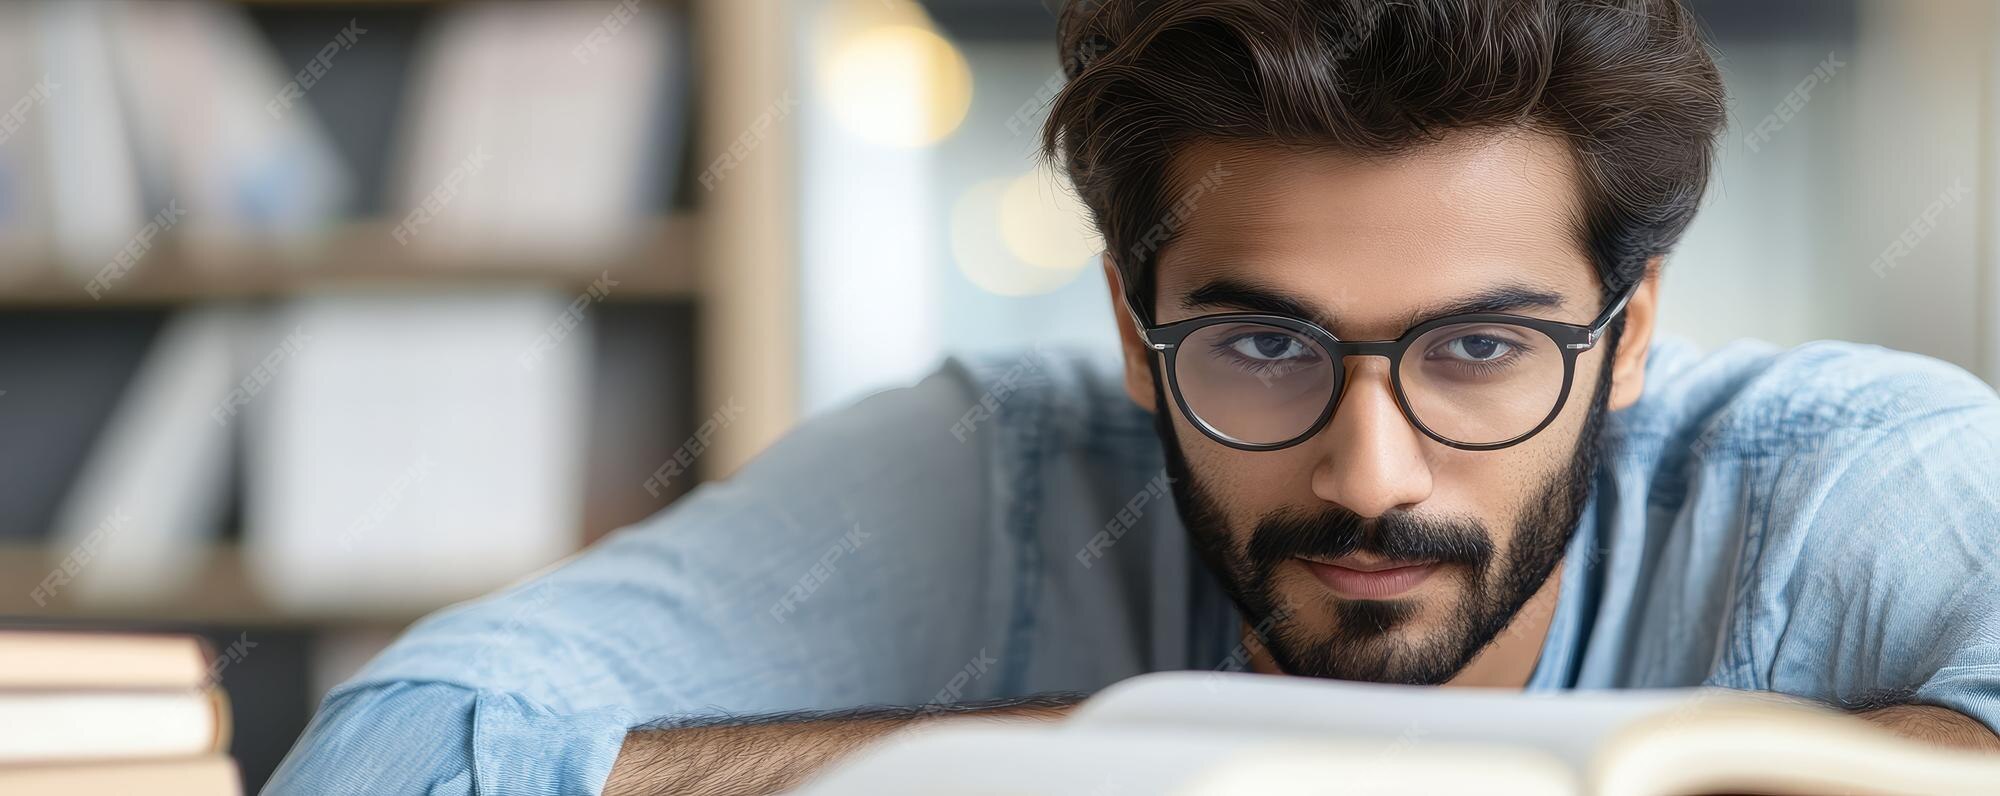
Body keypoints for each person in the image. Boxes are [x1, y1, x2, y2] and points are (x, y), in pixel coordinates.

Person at [266, 0, 2000, 793]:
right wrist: (1109, 764)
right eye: (1263, 348)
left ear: (1628, 339)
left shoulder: (1847, 479)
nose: (1368, 474)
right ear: (1129, 321)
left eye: (1479, 350)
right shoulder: (998, 466)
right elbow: (390, 760)